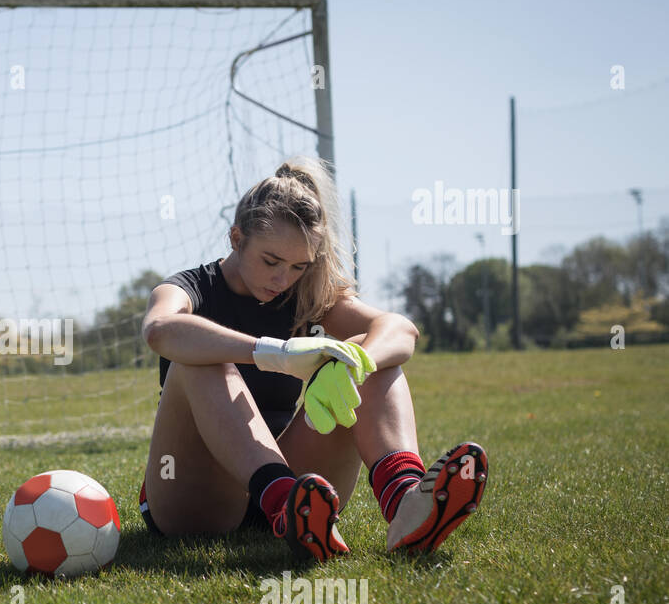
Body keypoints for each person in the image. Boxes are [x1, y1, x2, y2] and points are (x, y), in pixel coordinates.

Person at [138, 157, 487, 561]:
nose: (282, 279)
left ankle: (406, 503)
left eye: (298, 267)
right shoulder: (192, 286)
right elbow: (159, 329)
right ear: (236, 238)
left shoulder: (303, 295)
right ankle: (283, 501)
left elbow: (401, 329)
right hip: (196, 496)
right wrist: (276, 354)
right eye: (270, 261)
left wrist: (355, 361)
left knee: (364, 350)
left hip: (297, 488)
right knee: (202, 356)